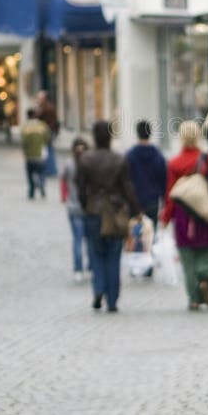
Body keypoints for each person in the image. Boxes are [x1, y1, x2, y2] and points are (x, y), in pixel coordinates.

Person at [76, 120, 141, 313]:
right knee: (113, 255)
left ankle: (98, 289)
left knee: (96, 254)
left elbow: (80, 189)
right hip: (114, 211)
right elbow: (127, 187)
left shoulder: (86, 160)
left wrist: (86, 206)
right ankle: (112, 298)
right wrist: (136, 209)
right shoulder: (118, 160)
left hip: (94, 211)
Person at [160, 120, 208, 311]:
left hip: (182, 216)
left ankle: (194, 298)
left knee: (187, 258)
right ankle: (206, 279)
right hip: (203, 213)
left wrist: (165, 218)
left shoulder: (174, 163)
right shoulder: (206, 158)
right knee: (206, 251)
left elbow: (170, 194)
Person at [125, 120, 167, 229]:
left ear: (137, 133)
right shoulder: (158, 155)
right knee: (150, 235)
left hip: (134, 201)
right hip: (153, 200)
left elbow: (126, 179)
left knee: (135, 235)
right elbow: (163, 179)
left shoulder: (130, 156)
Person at [60, 137, 90, 283]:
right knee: (90, 239)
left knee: (77, 240)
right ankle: (91, 266)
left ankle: (78, 269)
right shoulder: (90, 164)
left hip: (73, 207)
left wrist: (64, 196)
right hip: (89, 207)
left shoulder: (69, 164)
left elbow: (63, 180)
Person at [21, 108, 50, 199]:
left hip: (29, 156)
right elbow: (47, 138)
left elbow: (24, 142)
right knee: (41, 172)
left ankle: (31, 191)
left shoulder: (25, 127)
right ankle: (41, 183)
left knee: (30, 174)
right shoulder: (42, 125)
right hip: (40, 154)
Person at [35, 90, 59, 177]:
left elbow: (37, 117)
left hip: (47, 131)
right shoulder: (49, 107)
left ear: (44, 99)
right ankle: (51, 170)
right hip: (49, 131)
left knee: (48, 150)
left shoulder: (45, 108)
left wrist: (37, 107)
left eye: (39, 98)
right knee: (49, 150)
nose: (38, 100)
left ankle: (50, 170)